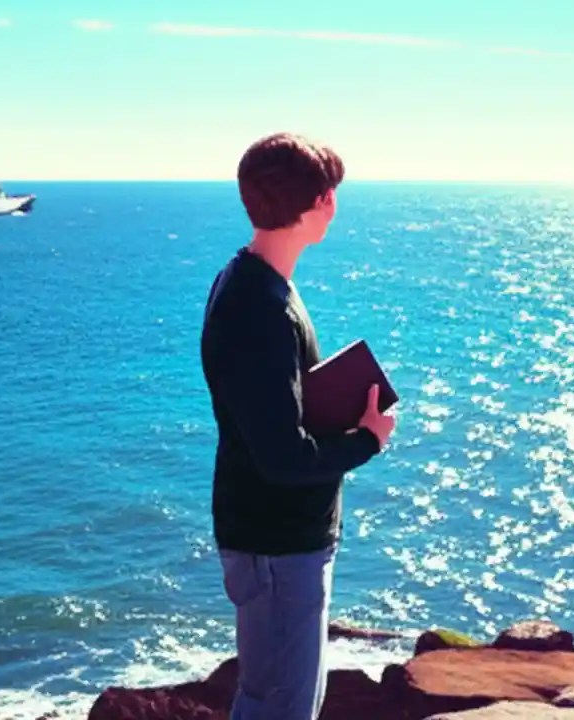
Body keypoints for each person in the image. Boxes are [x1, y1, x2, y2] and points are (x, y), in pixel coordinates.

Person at [199, 132, 397, 720]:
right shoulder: (260, 306)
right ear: (323, 203)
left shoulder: (250, 281)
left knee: (271, 698)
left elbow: (268, 414)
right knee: (282, 707)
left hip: (269, 538)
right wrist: (366, 439)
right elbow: (283, 458)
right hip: (277, 544)